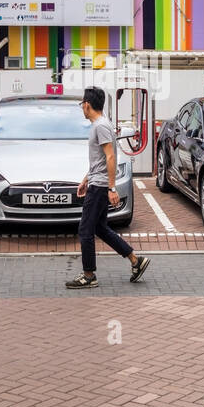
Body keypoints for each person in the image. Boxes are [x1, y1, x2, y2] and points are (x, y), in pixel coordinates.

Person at [67, 87, 150, 289]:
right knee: (100, 228)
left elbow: (111, 156)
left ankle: (89, 275)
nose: (82, 109)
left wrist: (111, 188)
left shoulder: (100, 126)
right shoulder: (101, 125)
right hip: (96, 183)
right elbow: (102, 160)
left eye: (82, 105)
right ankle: (135, 260)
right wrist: (86, 179)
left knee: (85, 230)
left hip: (100, 186)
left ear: (87, 104)